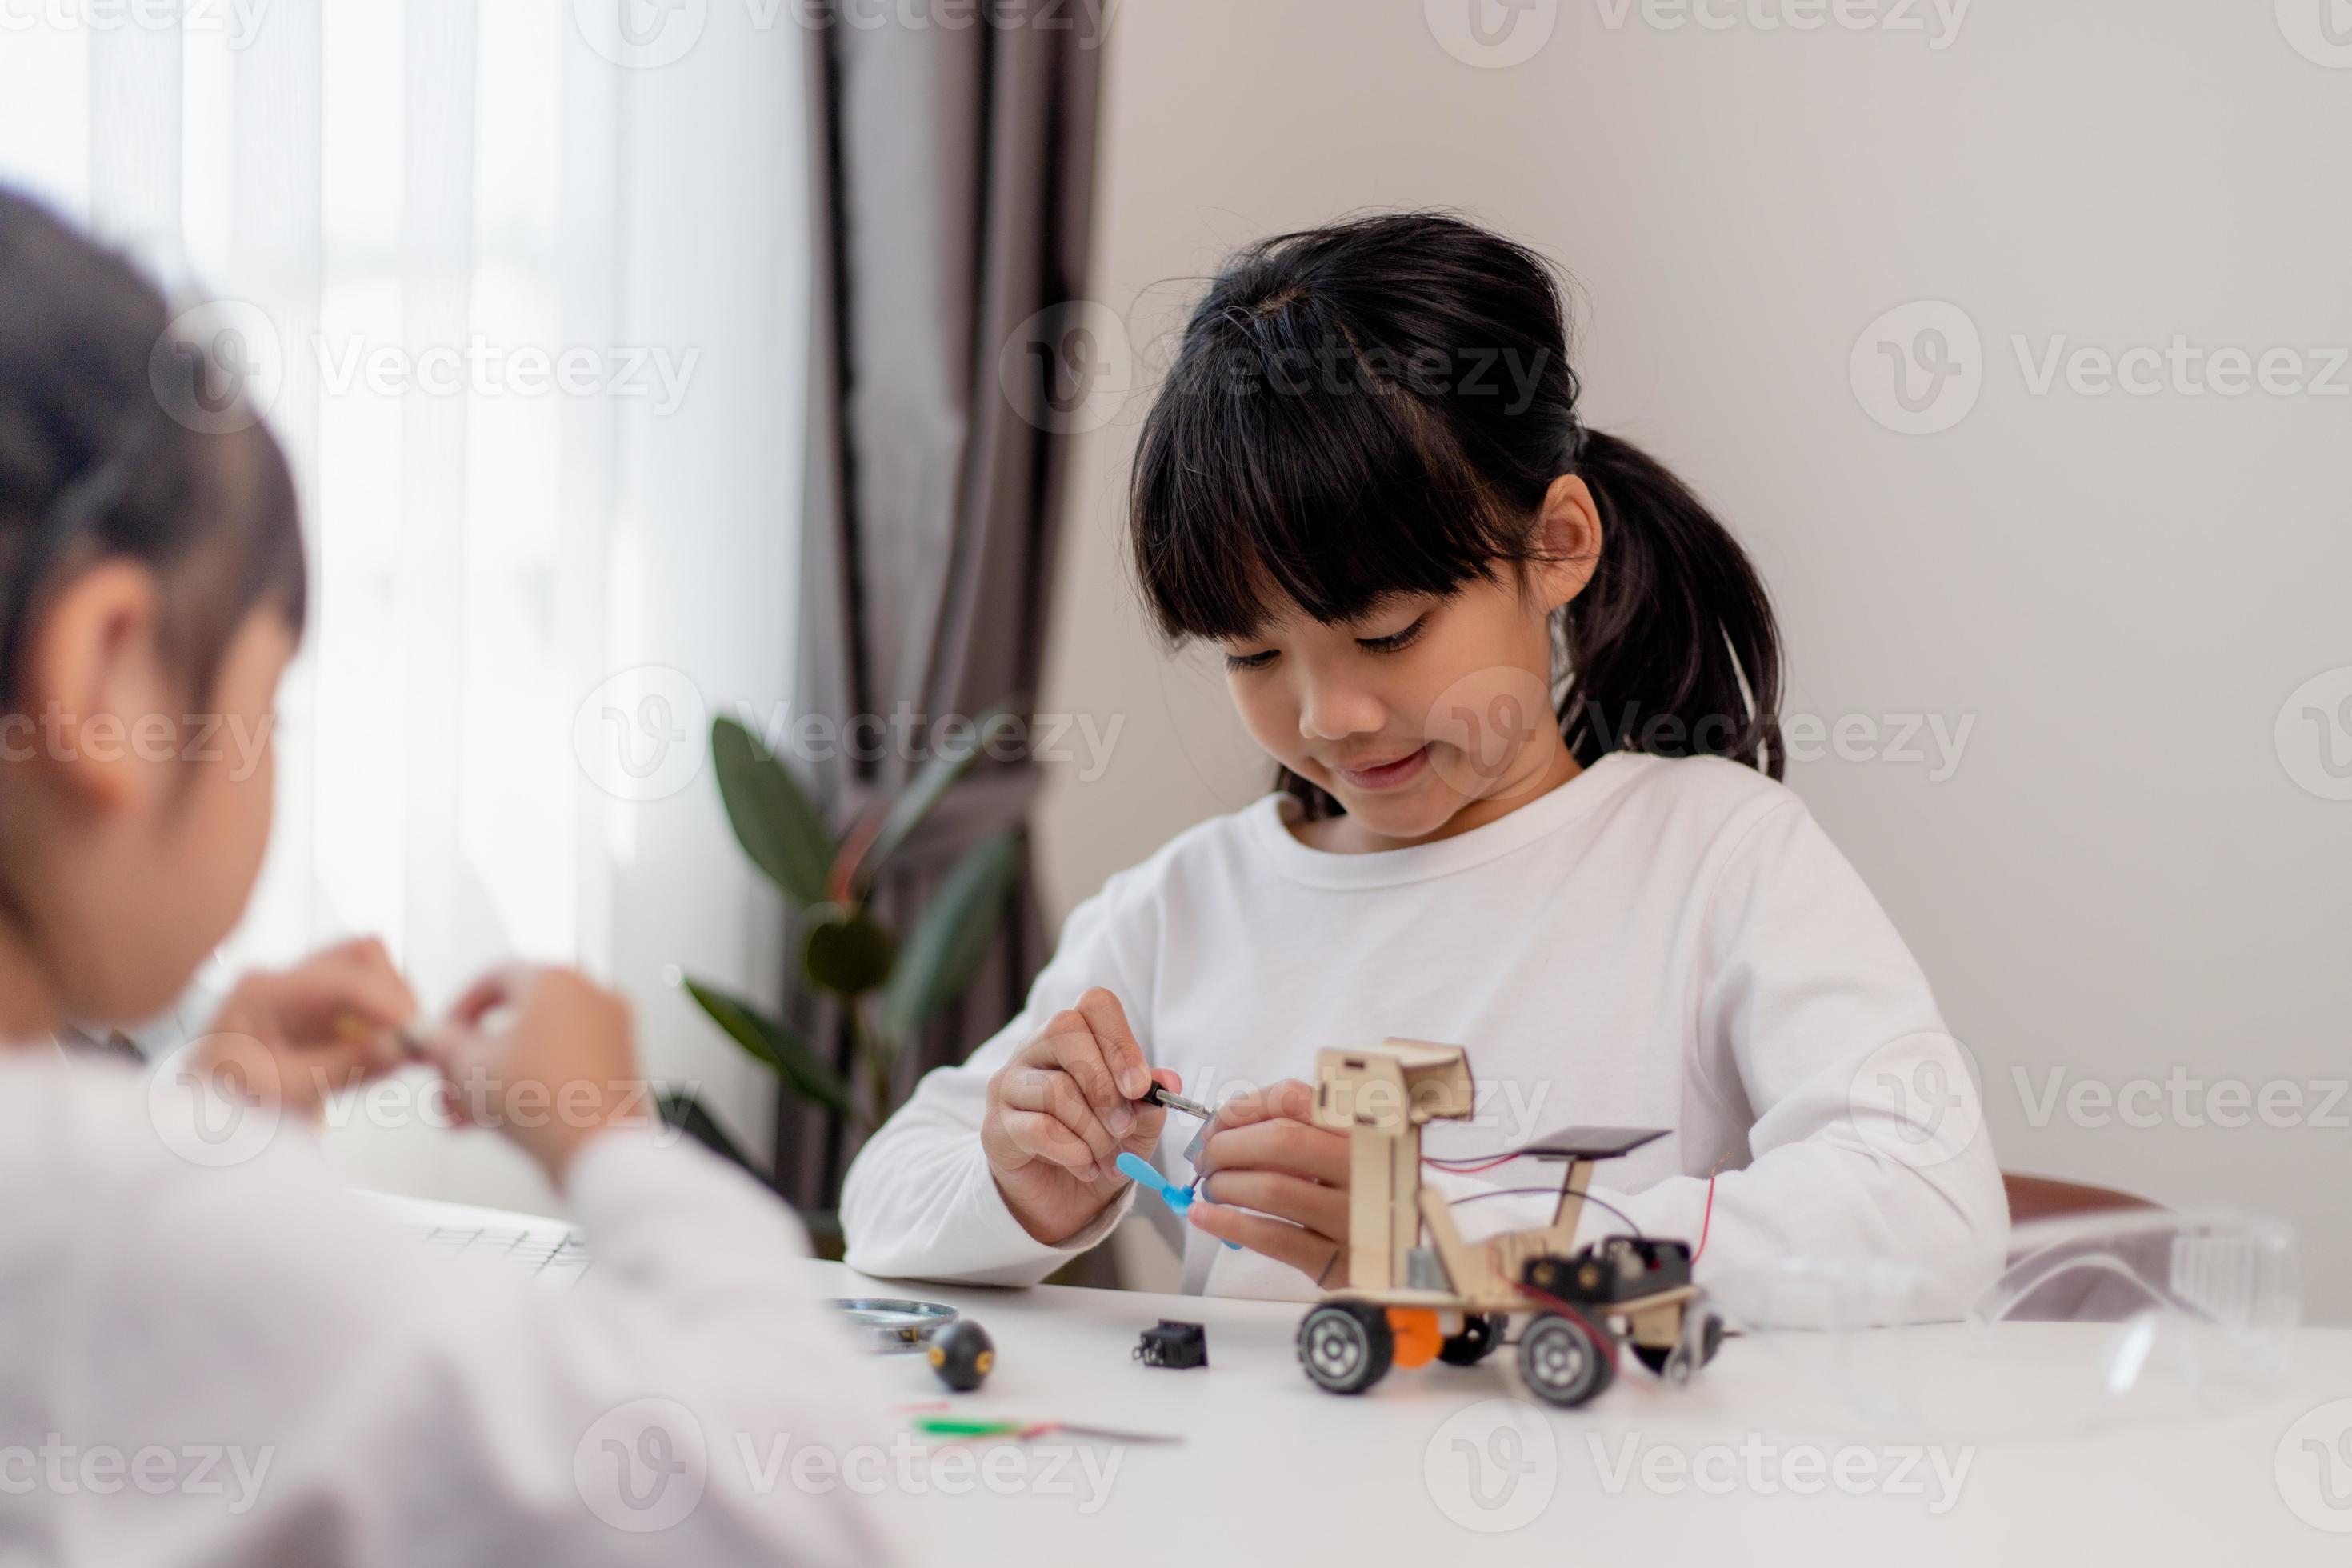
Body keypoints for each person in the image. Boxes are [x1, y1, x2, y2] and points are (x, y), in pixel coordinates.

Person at [842, 212, 2007, 1313]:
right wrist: (1019, 1184)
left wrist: (1453, 1239)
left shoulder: (1715, 855)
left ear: (1556, 546)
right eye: (1254, 655)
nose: (1332, 716)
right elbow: (887, 1198)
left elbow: (1929, 1207)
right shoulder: (1177, 913)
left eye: (1389, 635)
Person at [0, 189, 892, 1564]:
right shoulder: (123, 1223)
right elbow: (801, 1503)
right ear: (106, 678)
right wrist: (608, 1138)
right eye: (267, 704)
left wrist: (213, 1131)